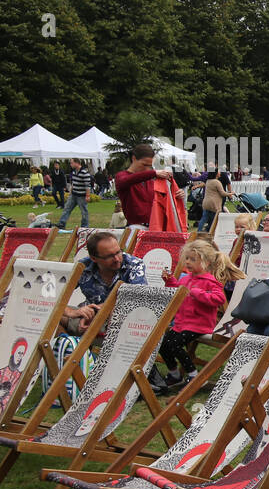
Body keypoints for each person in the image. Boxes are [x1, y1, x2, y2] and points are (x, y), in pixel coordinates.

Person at [149, 239, 238, 393]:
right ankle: (174, 373)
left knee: (175, 344)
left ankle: (193, 375)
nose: (188, 262)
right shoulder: (186, 279)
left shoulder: (210, 281)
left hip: (199, 324)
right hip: (182, 323)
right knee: (163, 343)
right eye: (187, 259)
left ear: (206, 262)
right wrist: (170, 281)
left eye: (192, 259)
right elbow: (178, 292)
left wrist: (199, 293)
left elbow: (219, 299)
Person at [63, 231, 148, 334]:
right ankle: (66, 347)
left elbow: (136, 298)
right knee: (49, 314)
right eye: (109, 256)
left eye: (118, 252)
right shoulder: (82, 267)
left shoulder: (134, 265)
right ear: (93, 258)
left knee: (117, 312)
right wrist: (73, 312)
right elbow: (54, 296)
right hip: (87, 317)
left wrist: (96, 312)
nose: (117, 259)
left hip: (123, 322)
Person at [115, 144, 173, 227]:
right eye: (144, 165)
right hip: (136, 227)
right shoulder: (121, 176)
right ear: (134, 158)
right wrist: (153, 173)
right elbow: (127, 180)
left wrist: (176, 195)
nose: (147, 169)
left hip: (155, 226)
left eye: (150, 166)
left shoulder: (149, 180)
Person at [56, 158, 93, 229]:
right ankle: (61, 224)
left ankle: (84, 226)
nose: (70, 164)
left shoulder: (84, 173)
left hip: (81, 196)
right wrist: (71, 191)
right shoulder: (73, 172)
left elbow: (88, 186)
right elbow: (73, 182)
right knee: (67, 209)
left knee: (84, 211)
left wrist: (87, 196)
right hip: (74, 194)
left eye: (72, 163)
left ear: (77, 163)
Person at [198, 168, 233, 232]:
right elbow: (222, 193)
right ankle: (212, 232)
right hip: (214, 204)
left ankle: (199, 231)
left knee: (204, 219)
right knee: (214, 220)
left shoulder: (208, 181)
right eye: (219, 172)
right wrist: (230, 193)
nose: (220, 173)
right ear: (216, 174)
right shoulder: (217, 182)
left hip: (206, 203)